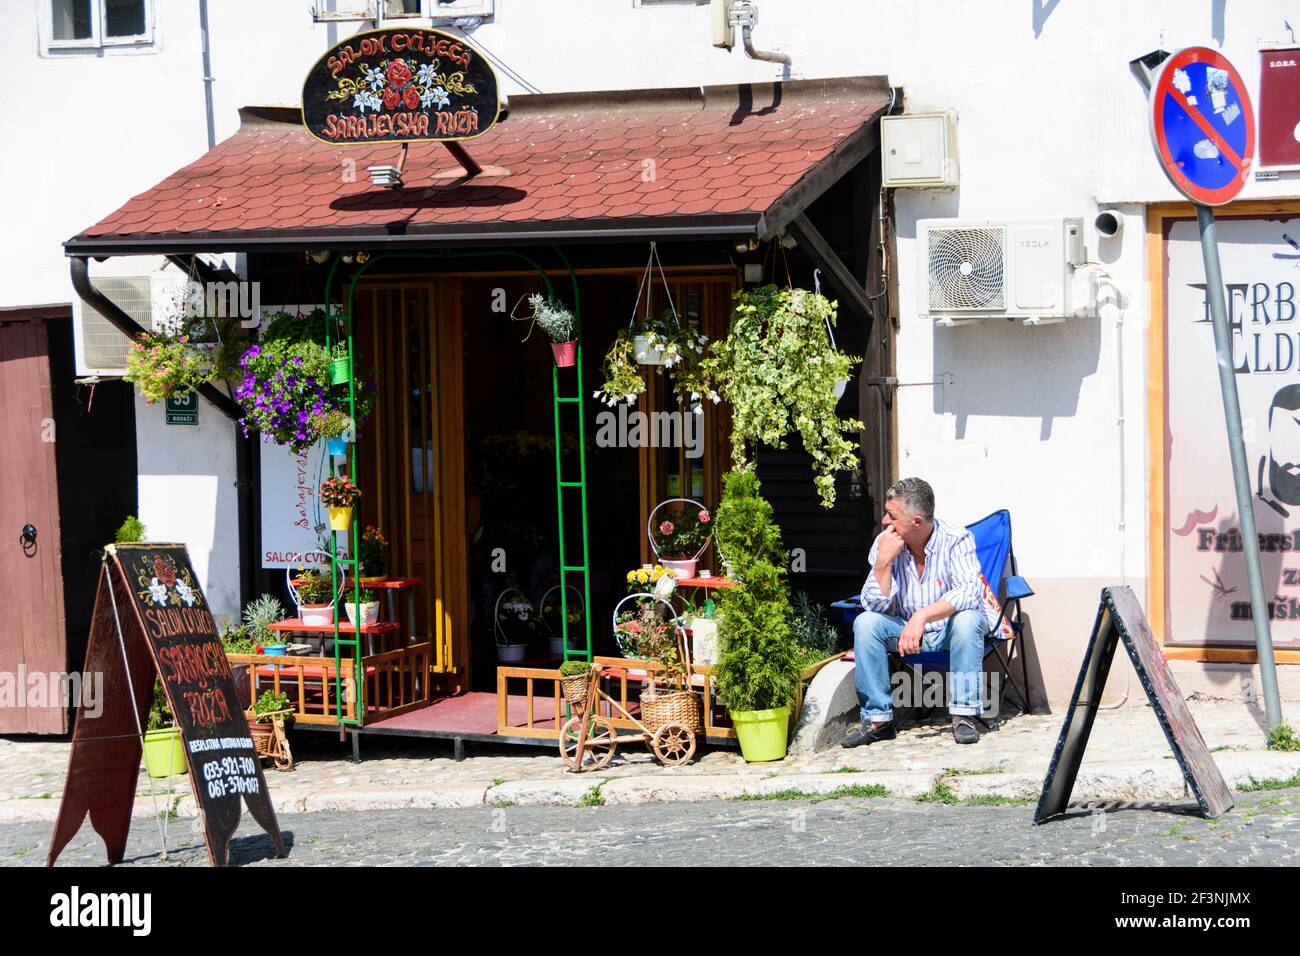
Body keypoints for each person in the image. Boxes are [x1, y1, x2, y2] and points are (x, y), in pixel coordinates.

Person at [842, 477, 996, 747]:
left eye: (892, 516)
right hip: (906, 633)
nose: (885, 522)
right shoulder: (885, 543)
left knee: (969, 619)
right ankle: (878, 720)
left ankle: (963, 716)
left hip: (949, 629)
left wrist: (921, 617)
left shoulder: (956, 539)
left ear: (917, 522)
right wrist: (882, 563)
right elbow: (874, 606)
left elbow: (969, 592)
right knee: (866, 623)